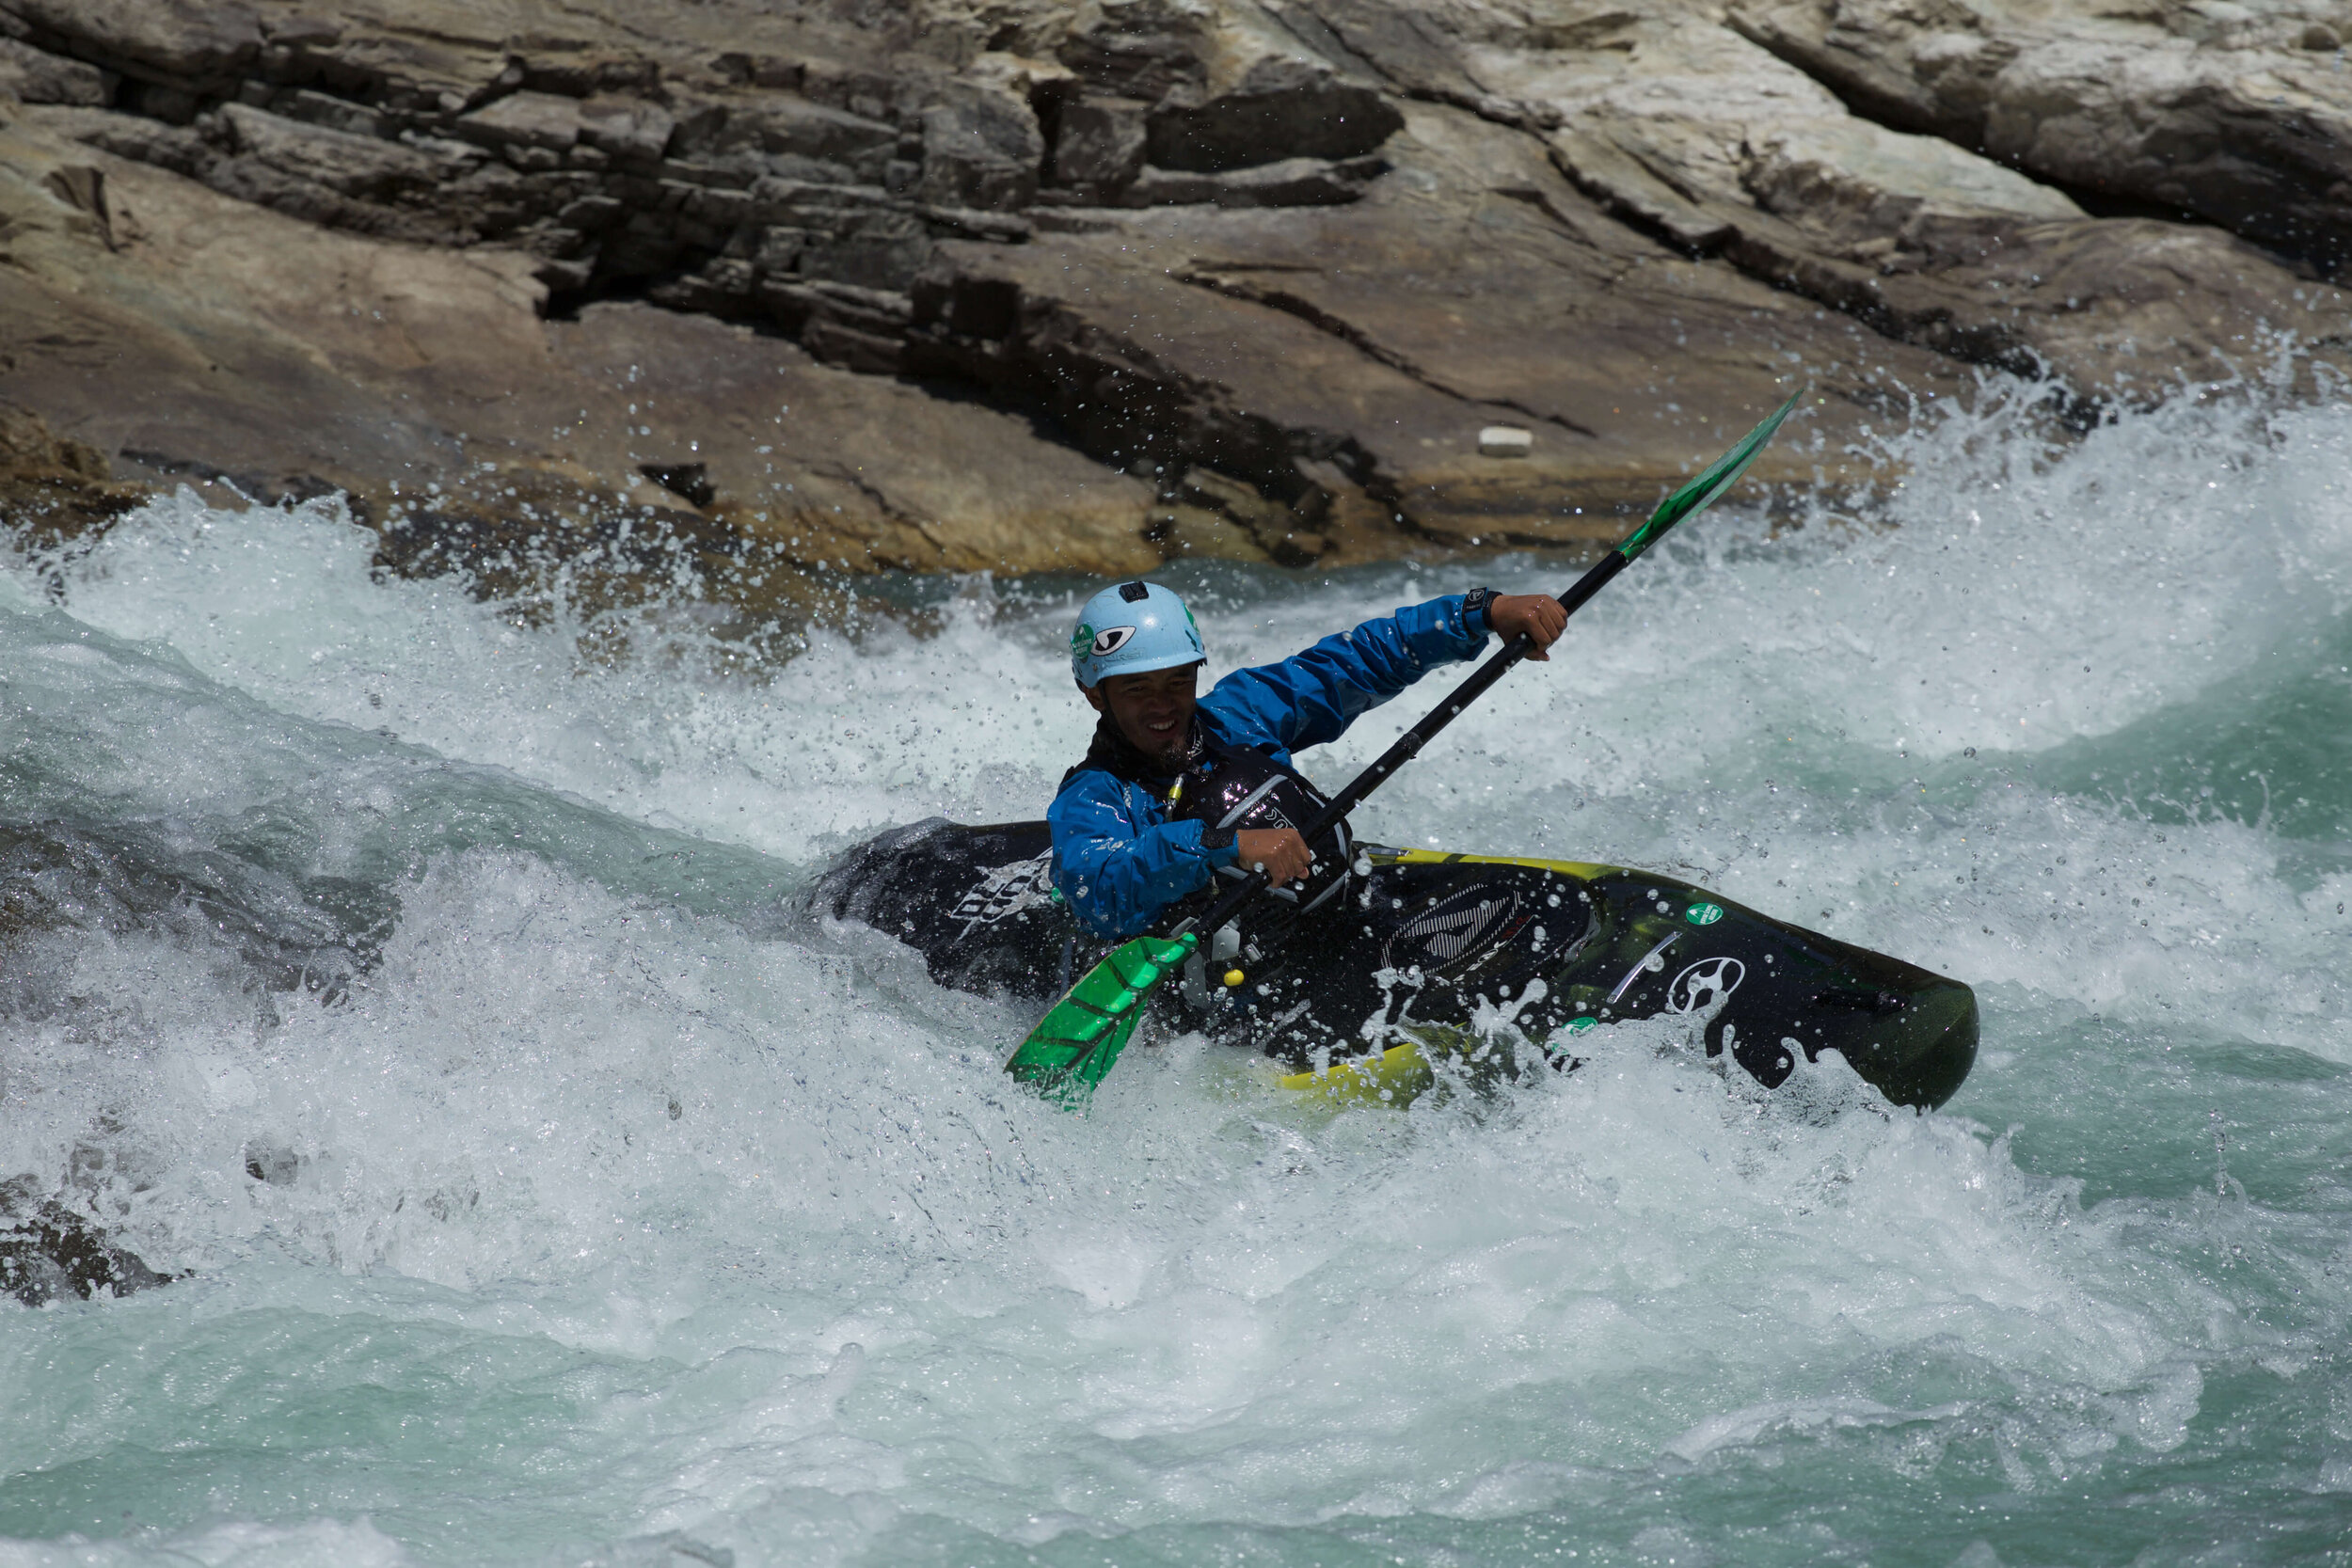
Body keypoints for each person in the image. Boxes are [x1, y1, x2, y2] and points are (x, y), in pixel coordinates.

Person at [1048, 579, 1566, 942]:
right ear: (1094, 694)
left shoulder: (1239, 714)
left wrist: (1476, 613)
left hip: (1347, 912)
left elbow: (1354, 663)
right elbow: (1100, 885)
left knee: (1551, 906)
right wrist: (1223, 844)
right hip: (1246, 992)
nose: (1163, 705)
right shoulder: (1094, 795)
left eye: (1178, 681)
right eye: (1137, 689)